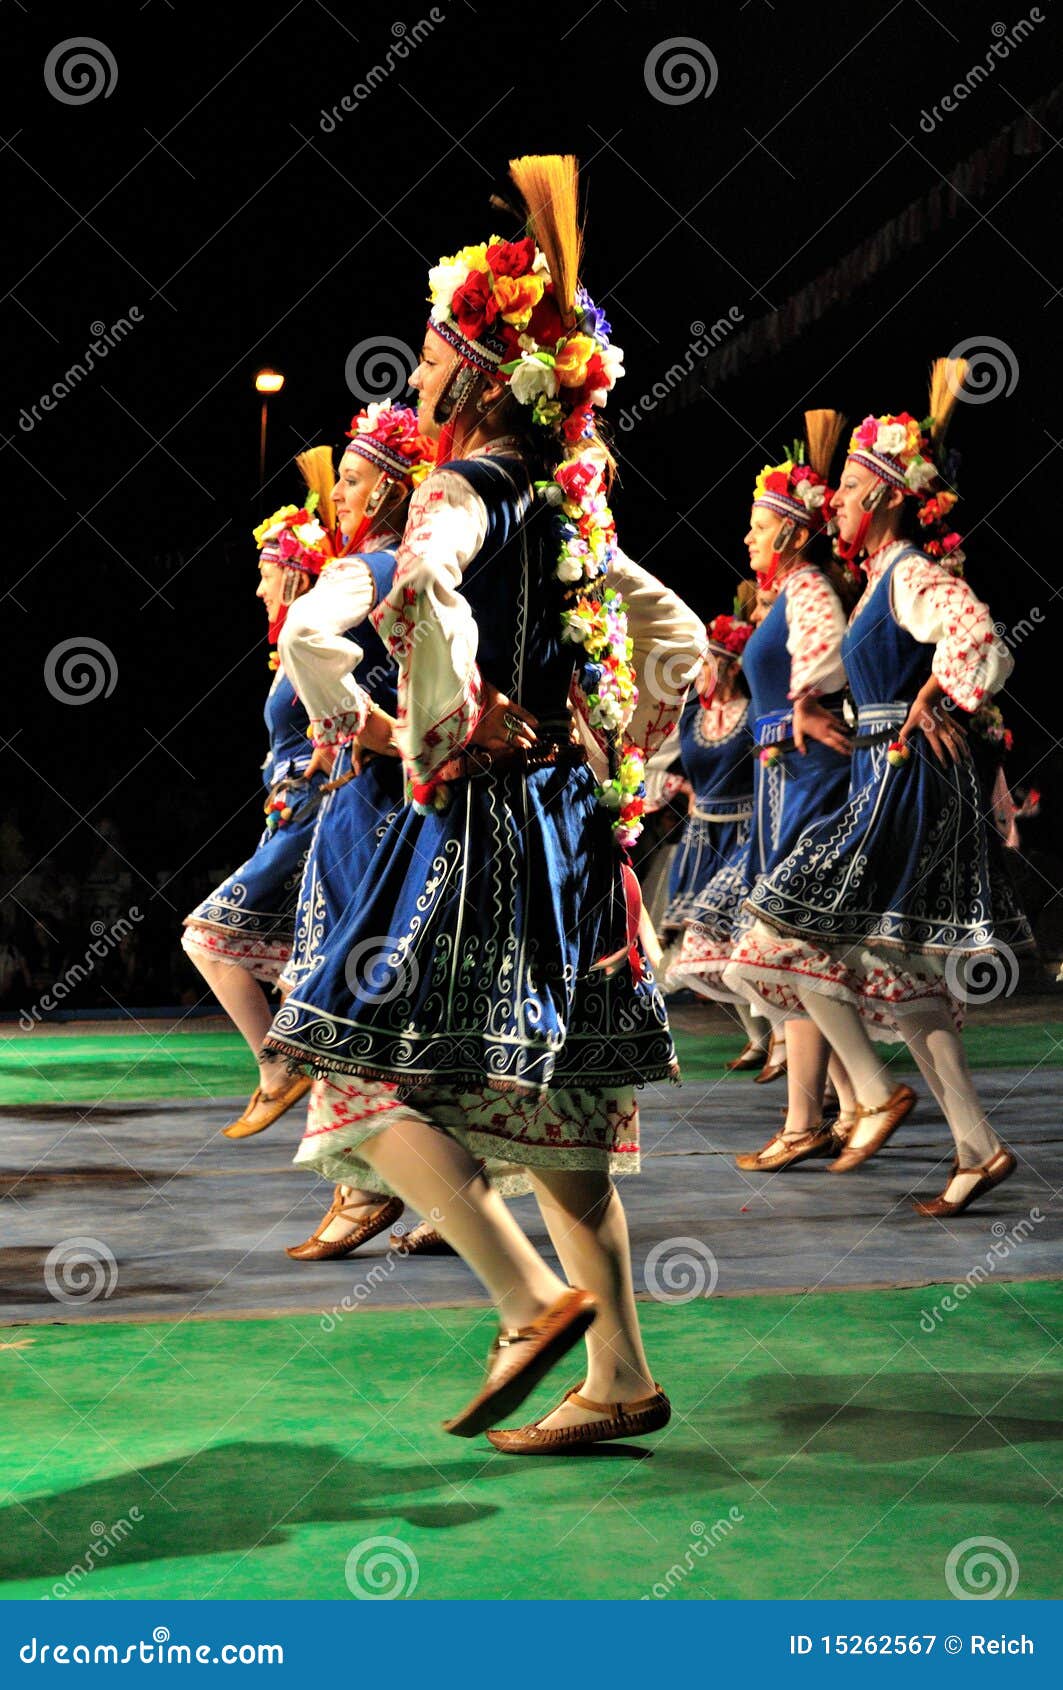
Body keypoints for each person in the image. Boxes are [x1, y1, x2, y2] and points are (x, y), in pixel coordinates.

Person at [268, 154, 704, 1447]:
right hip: (570, 821)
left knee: (349, 1064)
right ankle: (617, 1373)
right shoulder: (573, 513)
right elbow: (673, 636)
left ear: (466, 373)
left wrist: (425, 721)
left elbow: (352, 617)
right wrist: (623, 748)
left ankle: (523, 1300)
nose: (414, 376)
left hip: (473, 825)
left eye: (424, 357)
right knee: (560, 1112)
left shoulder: (456, 493)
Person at [729, 361, 1033, 1214]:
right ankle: (973, 1147)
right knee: (897, 976)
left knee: (782, 926)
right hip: (881, 776)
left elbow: (978, 633)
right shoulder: (872, 584)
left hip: (901, 785)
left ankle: (869, 1096)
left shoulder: (902, 573)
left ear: (891, 500)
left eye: (853, 485)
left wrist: (941, 695)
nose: (837, 500)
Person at [273, 402, 440, 1259]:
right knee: (383, 993)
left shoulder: (376, 566)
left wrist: (365, 729)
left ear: (390, 484)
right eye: (338, 477)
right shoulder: (388, 568)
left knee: (353, 989)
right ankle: (434, 1196)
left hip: (379, 804)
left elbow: (313, 645)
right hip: (376, 797)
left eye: (351, 477)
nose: (338, 492)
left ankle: (364, 1189)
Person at [673, 417, 860, 1157]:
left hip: (807, 789)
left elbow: (830, 660)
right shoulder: (787, 593)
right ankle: (833, 1110)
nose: (746, 541)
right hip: (782, 789)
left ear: (787, 535)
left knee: (786, 948)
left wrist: (806, 712)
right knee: (788, 954)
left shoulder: (807, 587)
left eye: (757, 527)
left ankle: (825, 1113)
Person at [181, 500, 334, 1137]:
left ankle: (278, 1065)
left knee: (205, 936)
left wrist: (320, 761)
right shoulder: (297, 646)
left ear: (295, 576)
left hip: (315, 822)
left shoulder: (316, 638)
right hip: (295, 818)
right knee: (310, 981)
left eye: (266, 571)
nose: (258, 585)